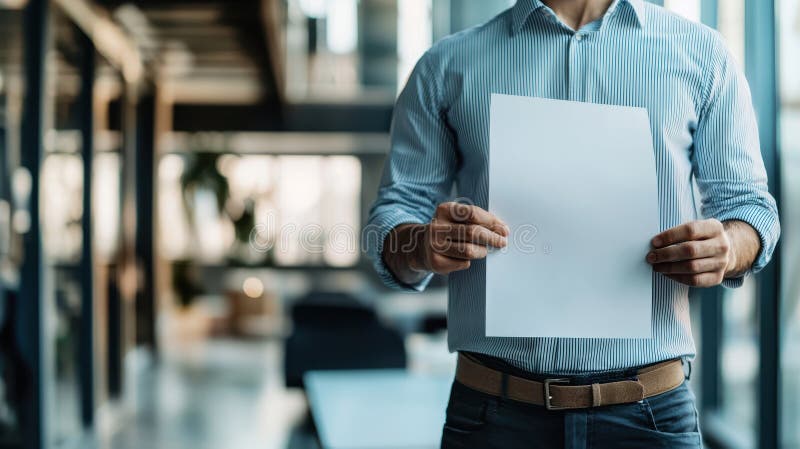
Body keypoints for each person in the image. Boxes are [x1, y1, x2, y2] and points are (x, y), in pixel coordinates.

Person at [364, 0, 780, 448]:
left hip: (650, 416)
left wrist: (729, 247)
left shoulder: (702, 55)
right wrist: (419, 245)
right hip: (494, 417)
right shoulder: (446, 66)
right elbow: (390, 219)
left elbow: (750, 209)